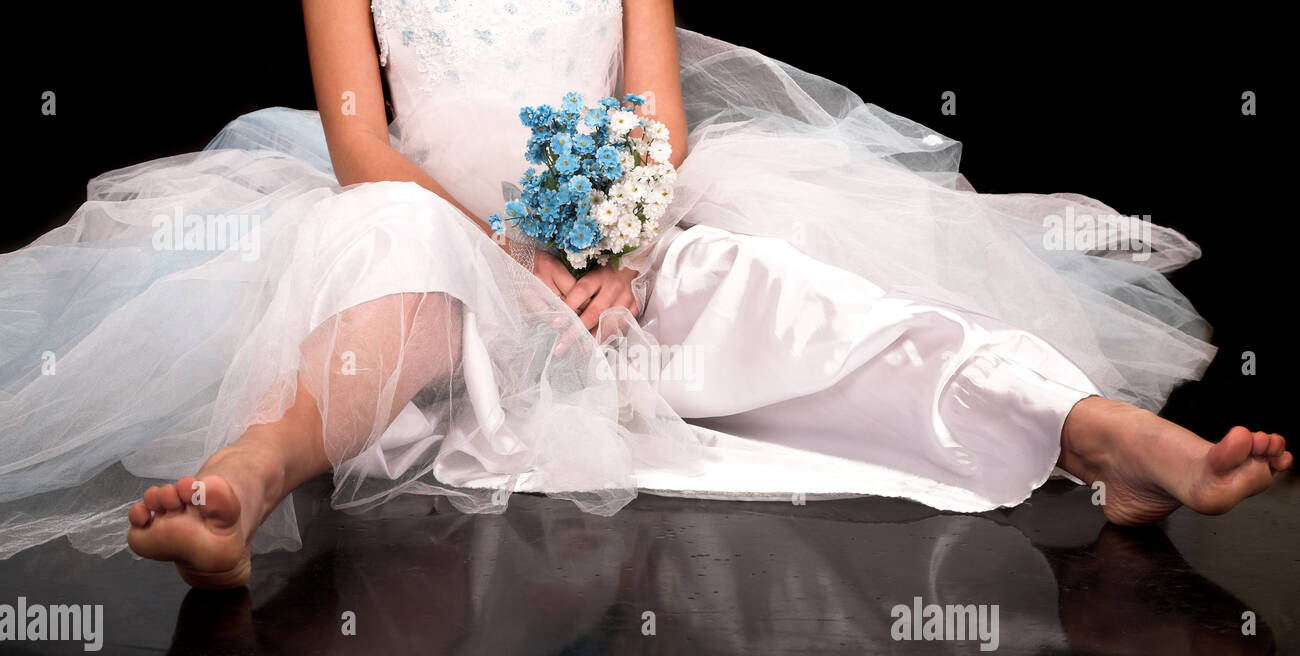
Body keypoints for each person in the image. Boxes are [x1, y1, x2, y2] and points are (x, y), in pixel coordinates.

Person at [0, 0, 1288, 589]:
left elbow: (654, 120)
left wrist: (611, 245)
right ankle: (245, 483)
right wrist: (509, 257)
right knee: (395, 267)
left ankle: (1096, 434)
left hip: (607, 237)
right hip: (440, 228)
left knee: (764, 284)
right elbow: (360, 146)